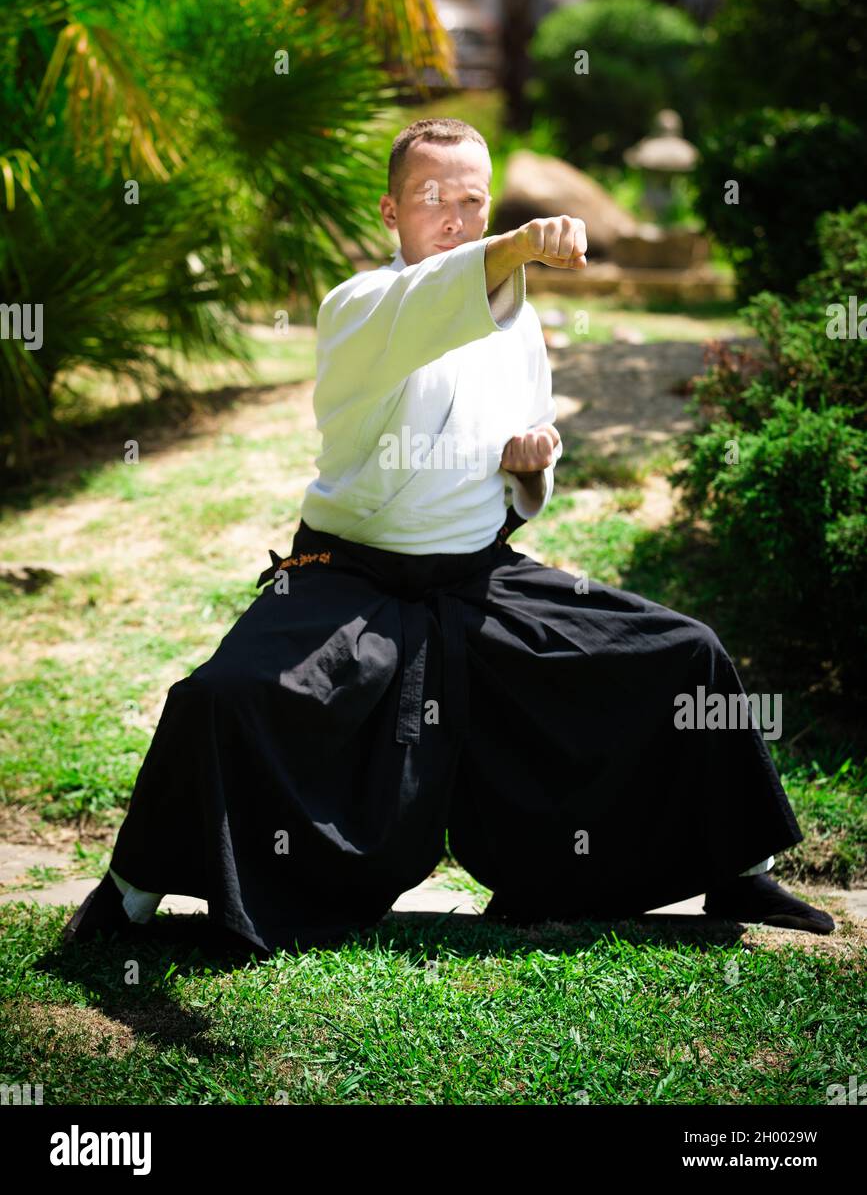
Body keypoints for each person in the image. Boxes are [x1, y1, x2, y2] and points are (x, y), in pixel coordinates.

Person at [63, 117, 834, 955]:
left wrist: (532, 463)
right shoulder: (359, 304)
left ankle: (736, 867)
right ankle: (129, 894)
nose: (456, 217)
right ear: (392, 212)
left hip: (476, 575)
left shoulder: (516, 323)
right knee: (217, 697)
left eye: (472, 199)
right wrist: (517, 246)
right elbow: (431, 300)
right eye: (433, 199)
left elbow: (524, 463)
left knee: (682, 650)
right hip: (345, 577)